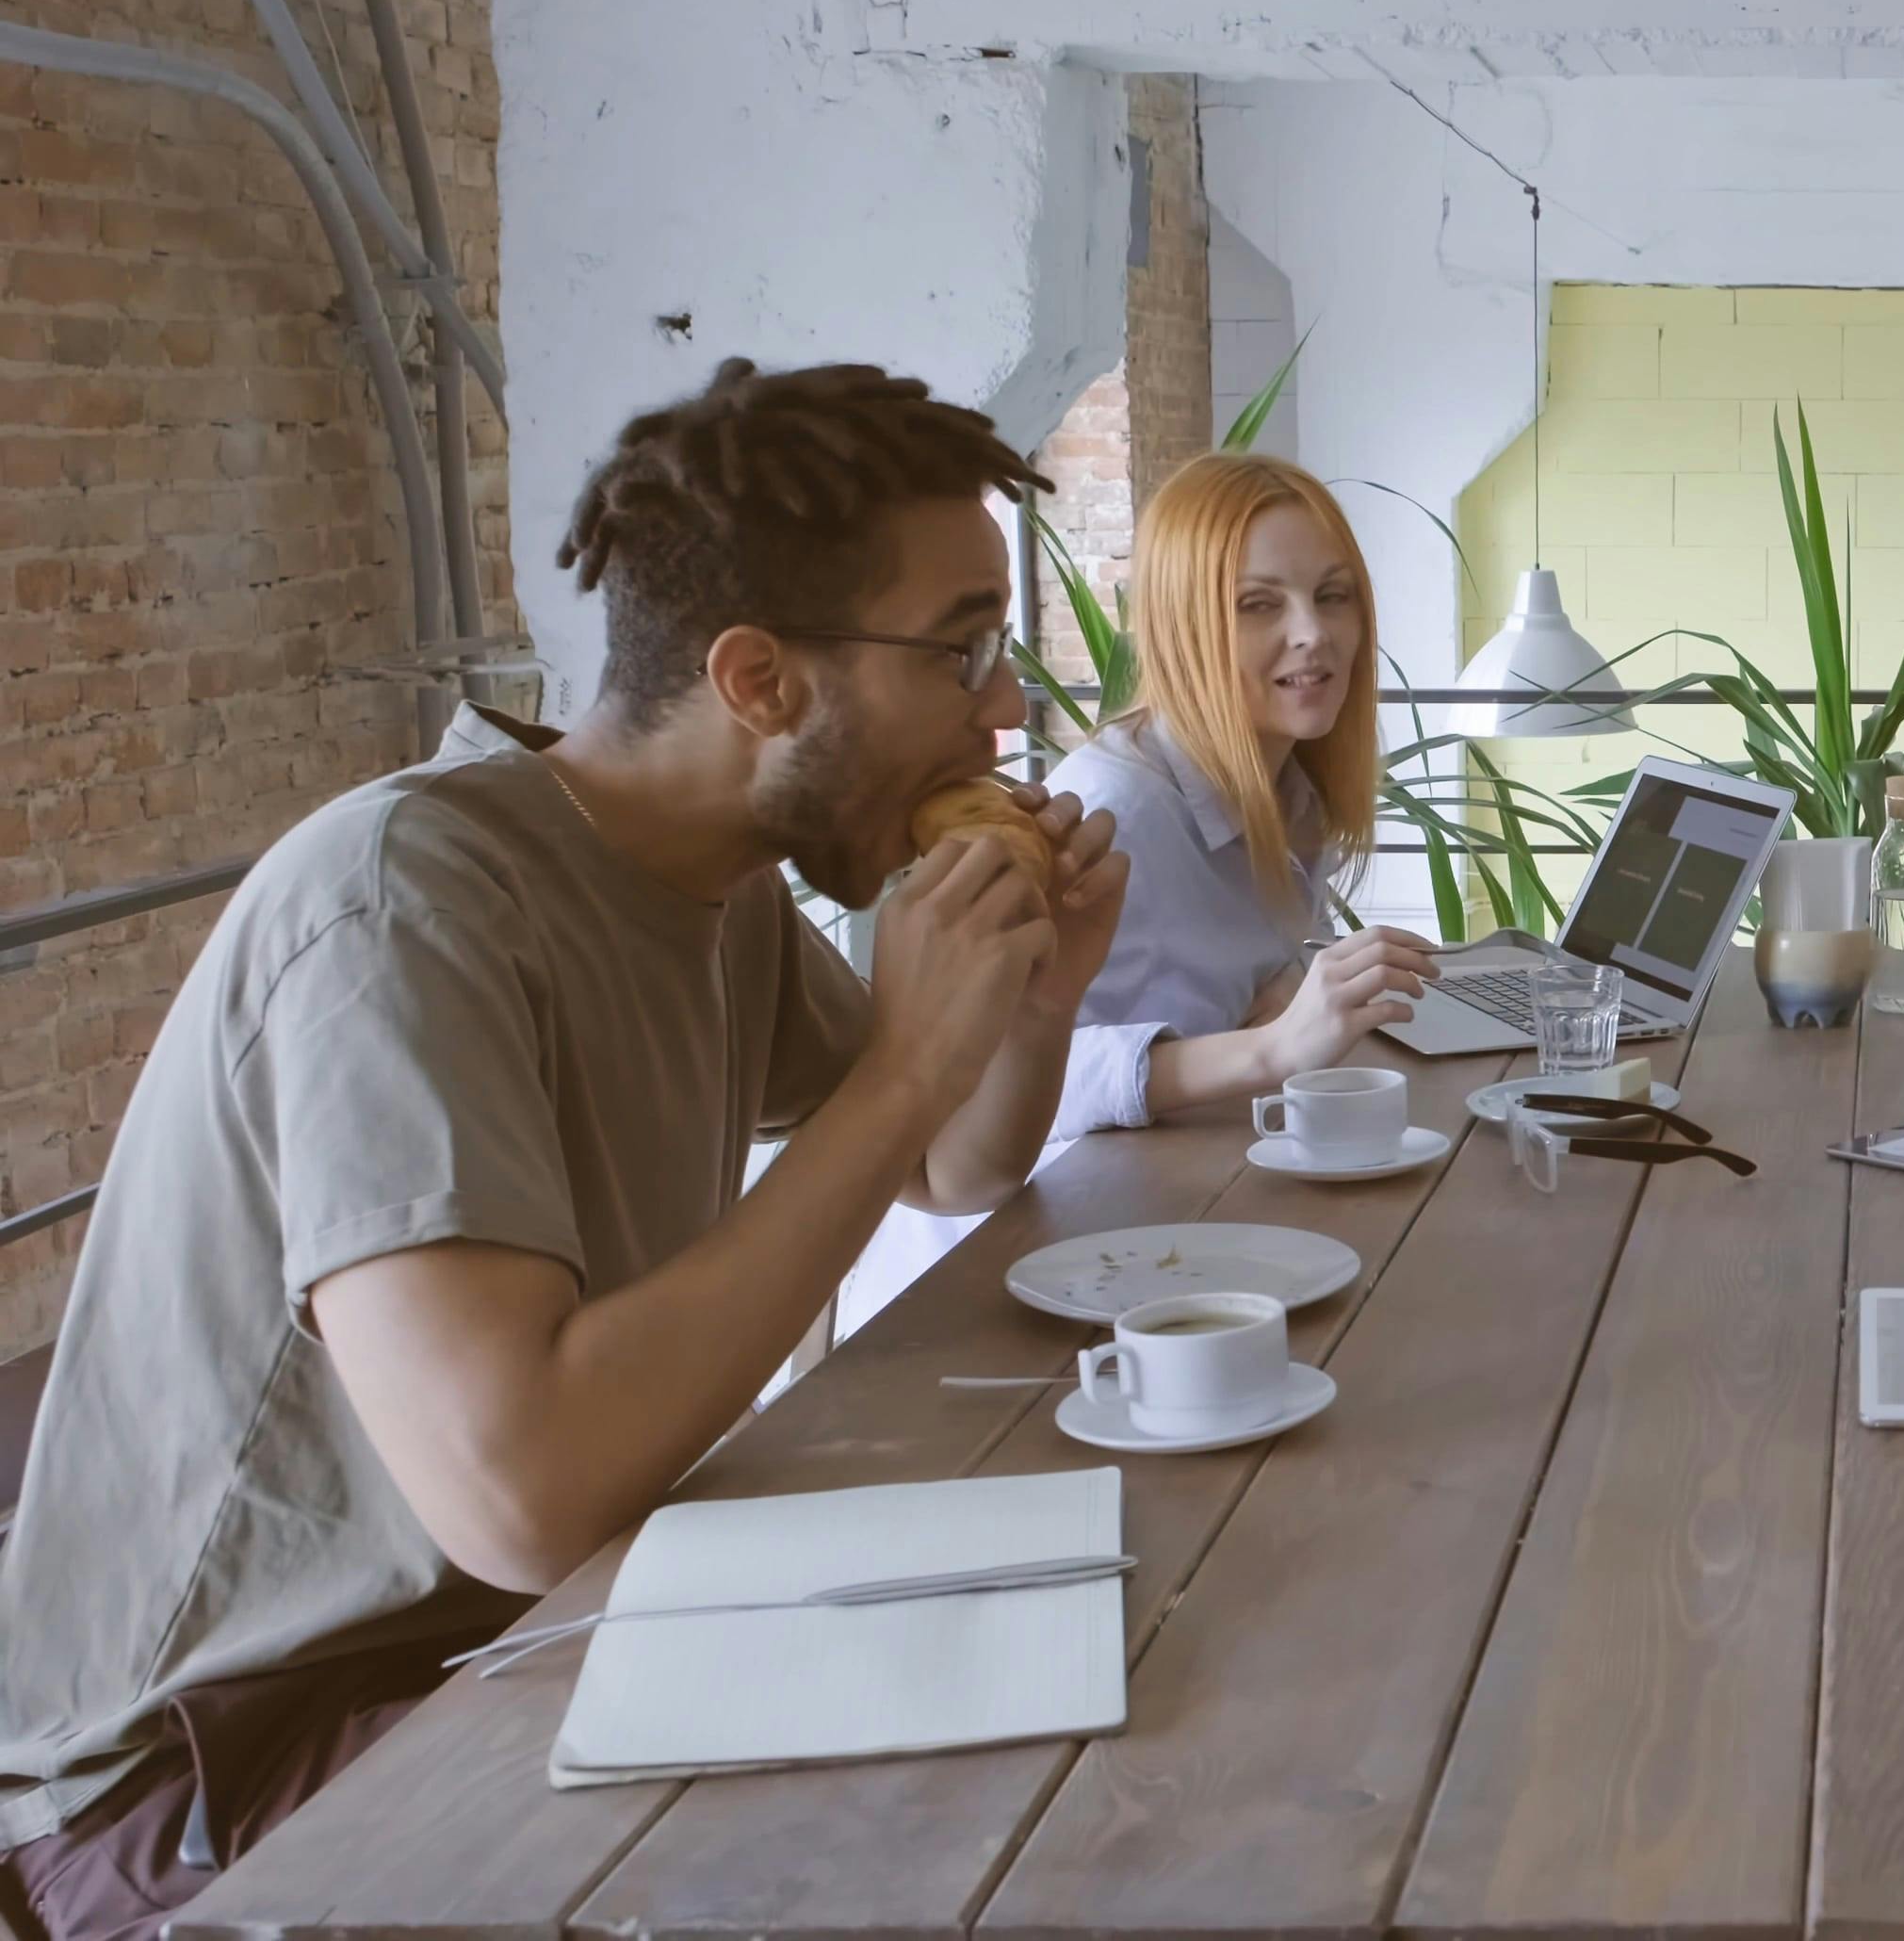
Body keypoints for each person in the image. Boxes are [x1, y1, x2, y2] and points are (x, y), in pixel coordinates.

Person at [0, 359, 1131, 1941]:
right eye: (964, 651)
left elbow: (950, 1171)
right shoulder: (407, 907)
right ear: (758, 682)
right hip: (212, 1779)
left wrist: (1031, 1005)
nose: (1009, 709)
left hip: (521, 1646)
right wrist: (901, 1074)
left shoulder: (712, 887)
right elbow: (519, 1492)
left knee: (1077, 1719)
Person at [1041, 453, 1438, 1140]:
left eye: (1333, 595)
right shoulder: (1110, 812)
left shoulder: (1294, 797)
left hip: (1186, 1174)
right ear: (1182, 625)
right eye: (1258, 604)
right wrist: (1273, 1047)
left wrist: (1291, 978)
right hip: (1040, 1219)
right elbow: (1008, 1083)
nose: (1314, 634)